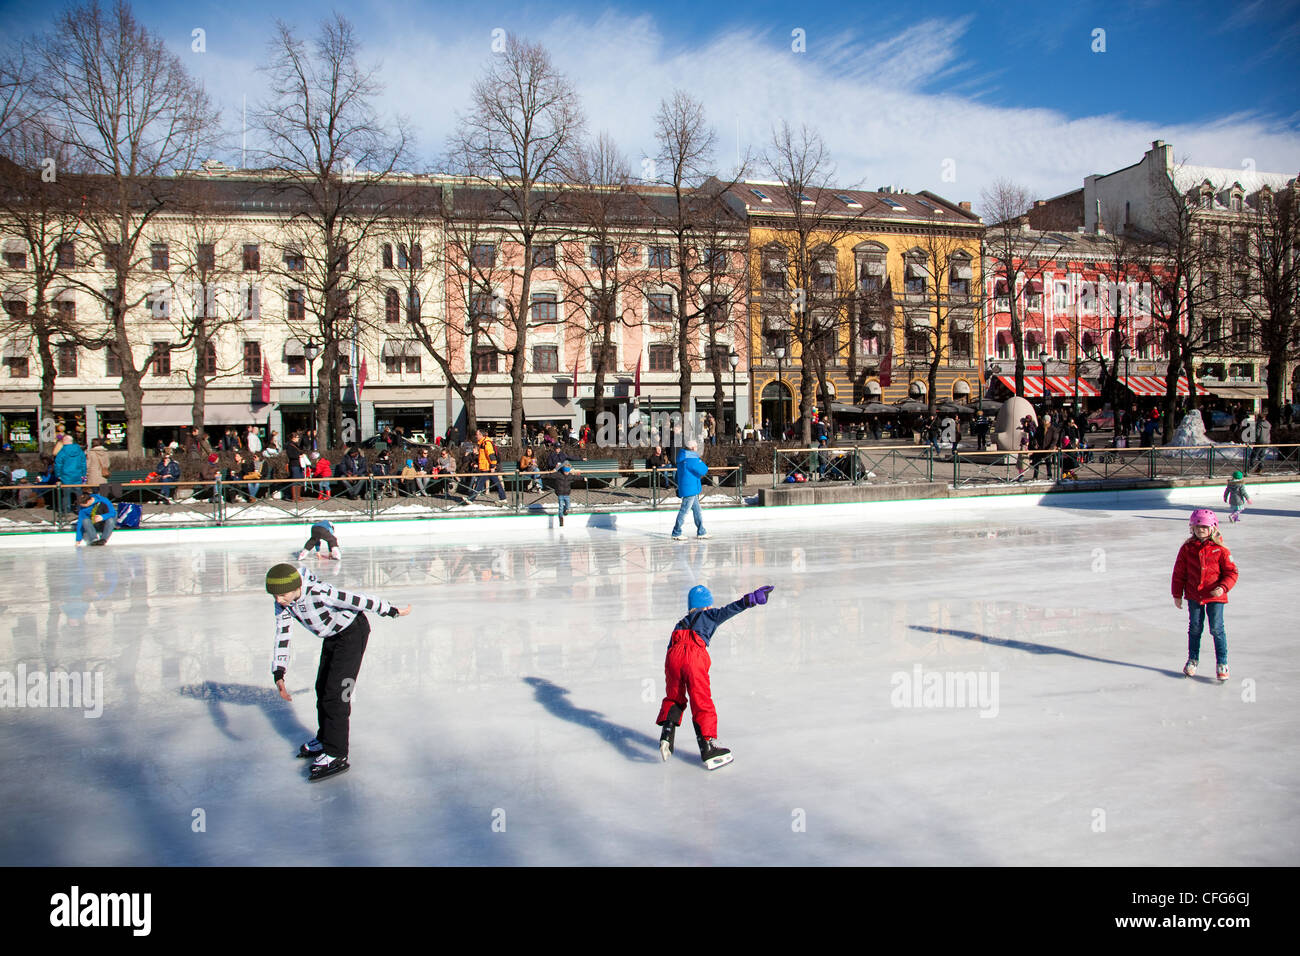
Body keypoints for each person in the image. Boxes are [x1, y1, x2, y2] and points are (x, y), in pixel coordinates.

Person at [266, 562, 411, 780]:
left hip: (353, 633)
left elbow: (358, 599)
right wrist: (279, 671)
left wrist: (390, 610)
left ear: (296, 587)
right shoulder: (284, 603)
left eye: (283, 594)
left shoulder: (319, 592)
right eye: (275, 595)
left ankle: (336, 753)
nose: (279, 600)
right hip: (332, 637)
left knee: (337, 694)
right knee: (322, 688)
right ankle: (325, 738)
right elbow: (282, 634)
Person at [655, 583, 774, 769]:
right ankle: (708, 748)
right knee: (701, 700)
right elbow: (730, 609)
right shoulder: (710, 615)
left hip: (673, 658)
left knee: (674, 697)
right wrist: (752, 599)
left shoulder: (680, 624)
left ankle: (666, 736)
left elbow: (670, 648)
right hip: (694, 657)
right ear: (706, 605)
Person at [1171, 509, 1238, 682]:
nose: (1200, 530)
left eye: (1204, 526)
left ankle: (1222, 662)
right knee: (1194, 628)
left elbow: (1232, 573)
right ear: (1192, 528)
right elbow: (1179, 573)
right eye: (1197, 526)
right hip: (1194, 595)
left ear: (1213, 528)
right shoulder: (1187, 549)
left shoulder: (1220, 549)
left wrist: (1223, 587)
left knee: (1216, 628)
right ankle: (1193, 660)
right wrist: (1177, 594)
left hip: (1215, 596)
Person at [671, 440, 710, 540]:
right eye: (696, 447)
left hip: (687, 487)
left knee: (697, 510)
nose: (697, 448)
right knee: (684, 510)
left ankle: (701, 531)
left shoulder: (682, 456)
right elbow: (704, 469)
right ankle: (676, 532)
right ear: (692, 448)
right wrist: (699, 461)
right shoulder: (692, 458)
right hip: (690, 488)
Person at [465, 428, 507, 505]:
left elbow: (491, 455)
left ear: (481, 435)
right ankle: (503, 498)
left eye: (477, 434)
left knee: (479, 483)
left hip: (487, 467)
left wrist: (492, 466)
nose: (476, 436)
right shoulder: (483, 443)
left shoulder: (486, 443)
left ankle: (471, 499)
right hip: (486, 467)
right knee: (496, 483)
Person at [53, 434, 87, 512]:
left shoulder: (62, 452)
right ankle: (80, 509)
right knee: (79, 494)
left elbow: (58, 464)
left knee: (66, 495)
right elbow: (83, 463)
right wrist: (83, 474)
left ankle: (66, 510)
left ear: (64, 441)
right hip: (78, 475)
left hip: (65, 476)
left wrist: (58, 475)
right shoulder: (79, 451)